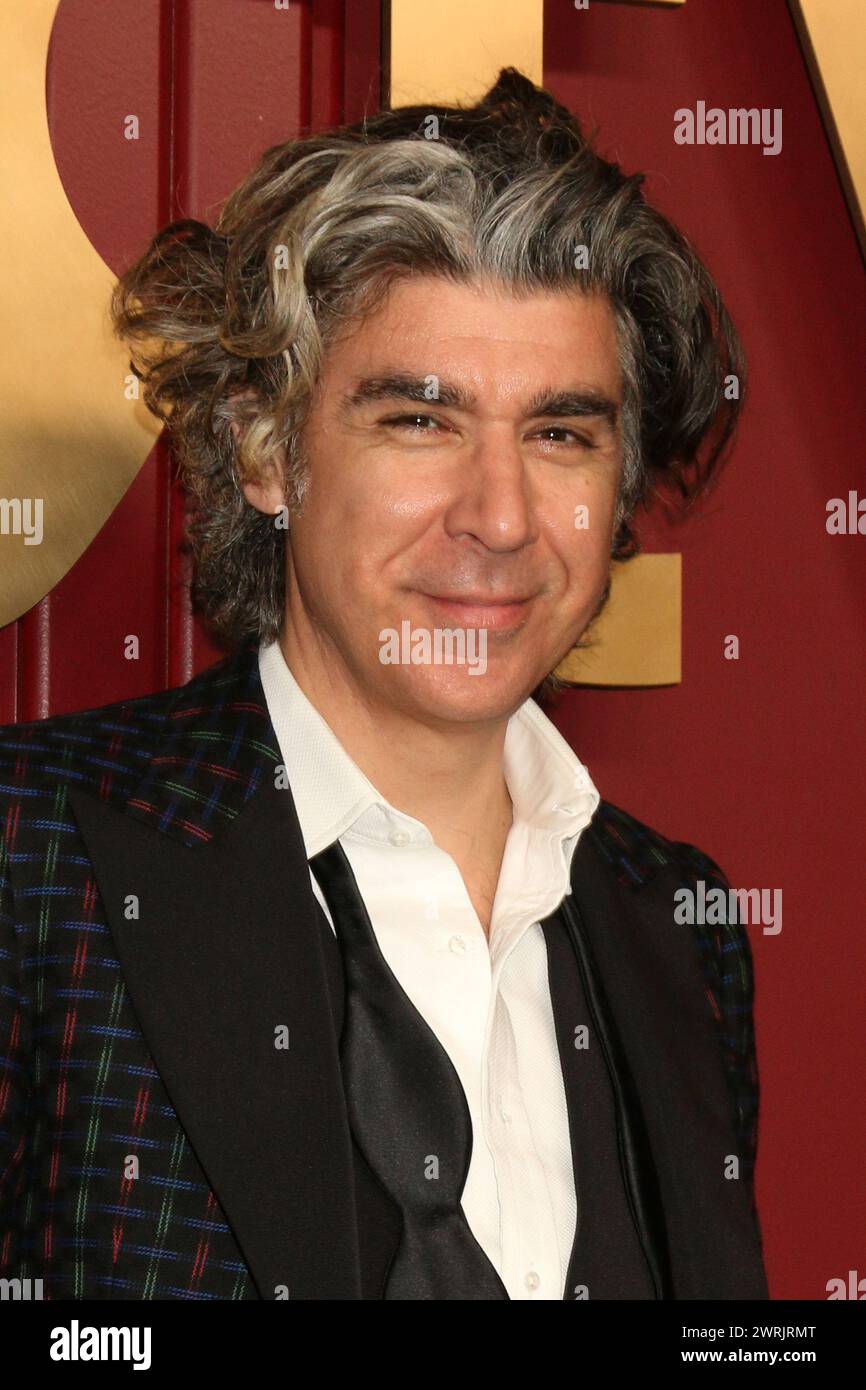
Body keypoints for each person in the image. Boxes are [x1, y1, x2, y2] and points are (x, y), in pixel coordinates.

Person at [0, 67, 768, 1300]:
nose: (501, 516)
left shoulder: (676, 923)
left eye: (560, 433)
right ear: (265, 449)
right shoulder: (36, 852)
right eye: (420, 422)